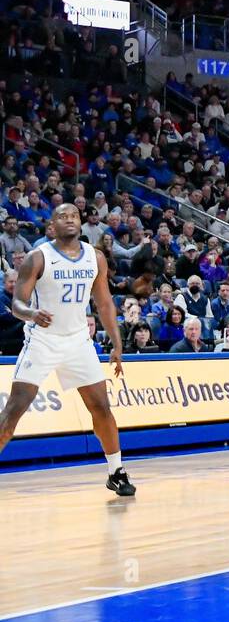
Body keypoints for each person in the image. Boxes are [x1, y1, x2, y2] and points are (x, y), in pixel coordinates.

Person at [0, 203, 135, 495]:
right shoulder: (37, 257)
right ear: (52, 225)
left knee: (101, 407)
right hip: (42, 341)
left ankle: (116, 471)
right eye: (62, 216)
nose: (69, 219)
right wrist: (31, 313)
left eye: (73, 215)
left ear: (80, 221)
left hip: (78, 341)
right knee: (15, 408)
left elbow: (104, 303)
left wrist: (117, 341)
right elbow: (17, 304)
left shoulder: (95, 258)